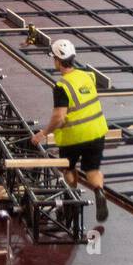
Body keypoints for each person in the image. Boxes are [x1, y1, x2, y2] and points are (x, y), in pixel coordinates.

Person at [31, 38, 110, 222]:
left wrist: (42, 134)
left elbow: (59, 117)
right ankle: (99, 191)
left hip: (73, 137)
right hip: (96, 132)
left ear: (57, 61)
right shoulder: (88, 76)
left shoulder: (61, 86)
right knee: (92, 169)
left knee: (68, 168)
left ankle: (71, 203)